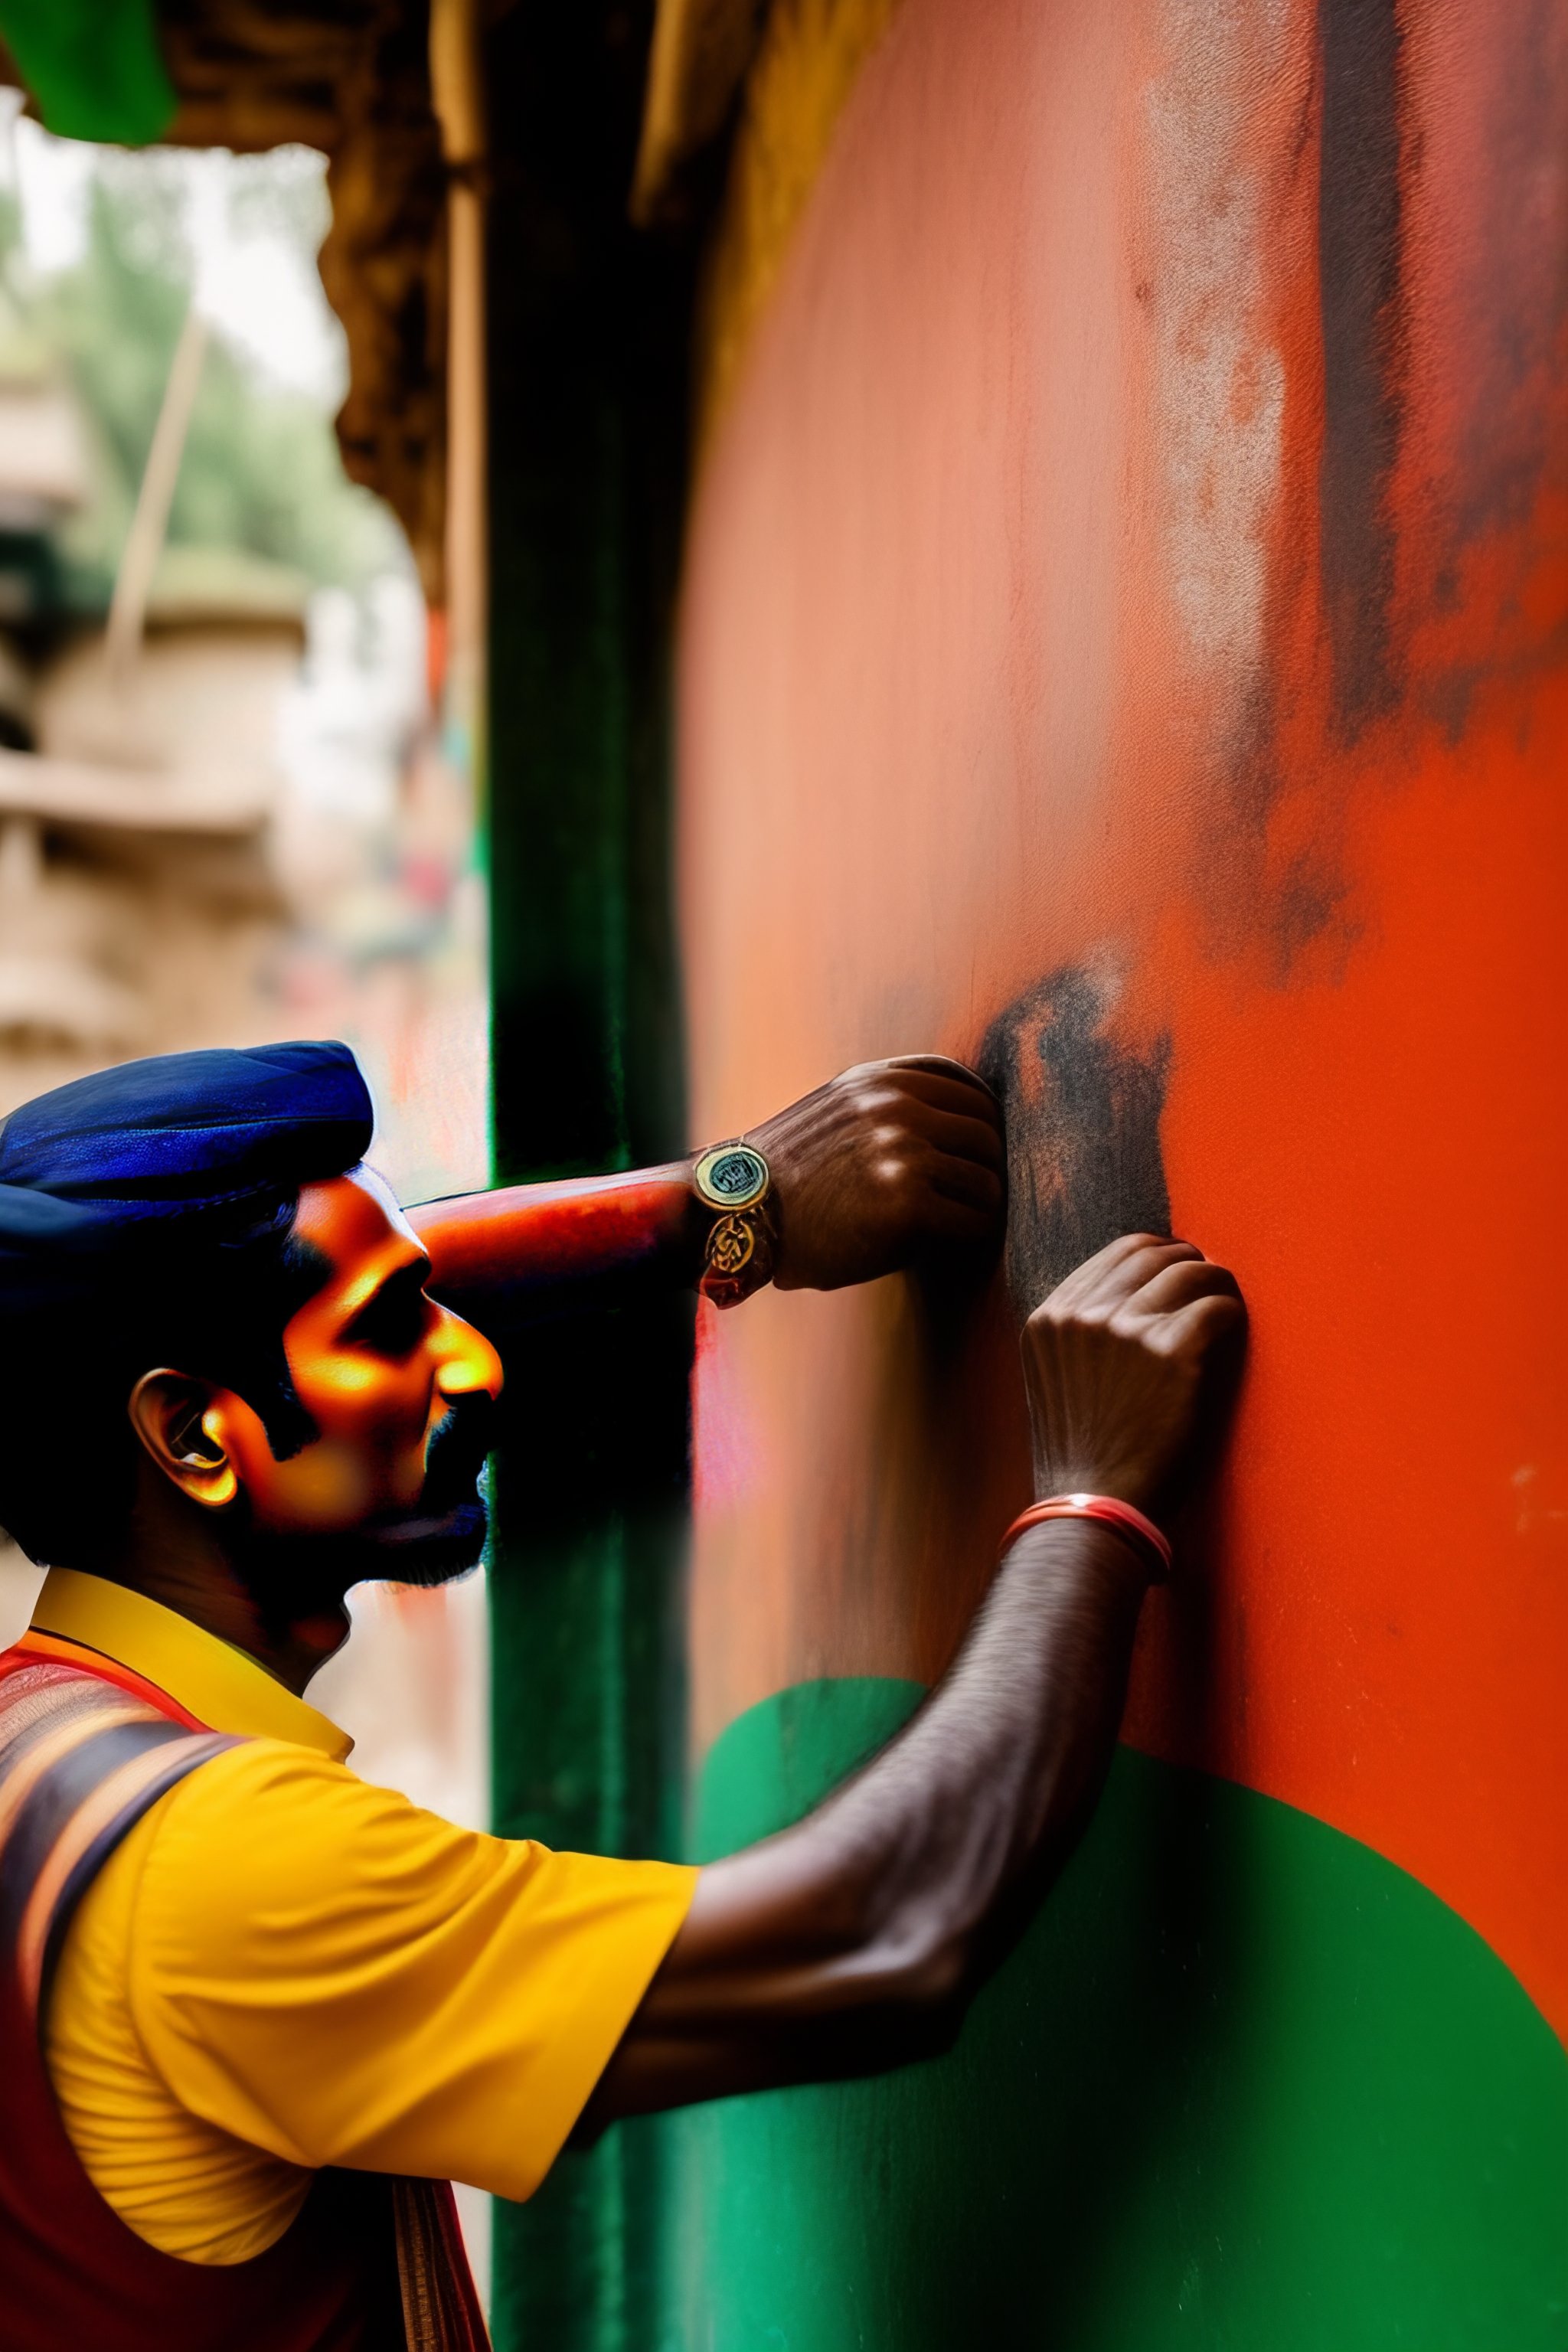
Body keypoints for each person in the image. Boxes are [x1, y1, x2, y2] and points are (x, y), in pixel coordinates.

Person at [0, 1040, 1244, 2351]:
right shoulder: (217, 1869)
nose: (476, 1364)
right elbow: (883, 1934)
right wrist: (1088, 1503)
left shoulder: (41, 1740)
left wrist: (729, 1207)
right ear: (193, 1435)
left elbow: (250, 1305)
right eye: (392, 1328)